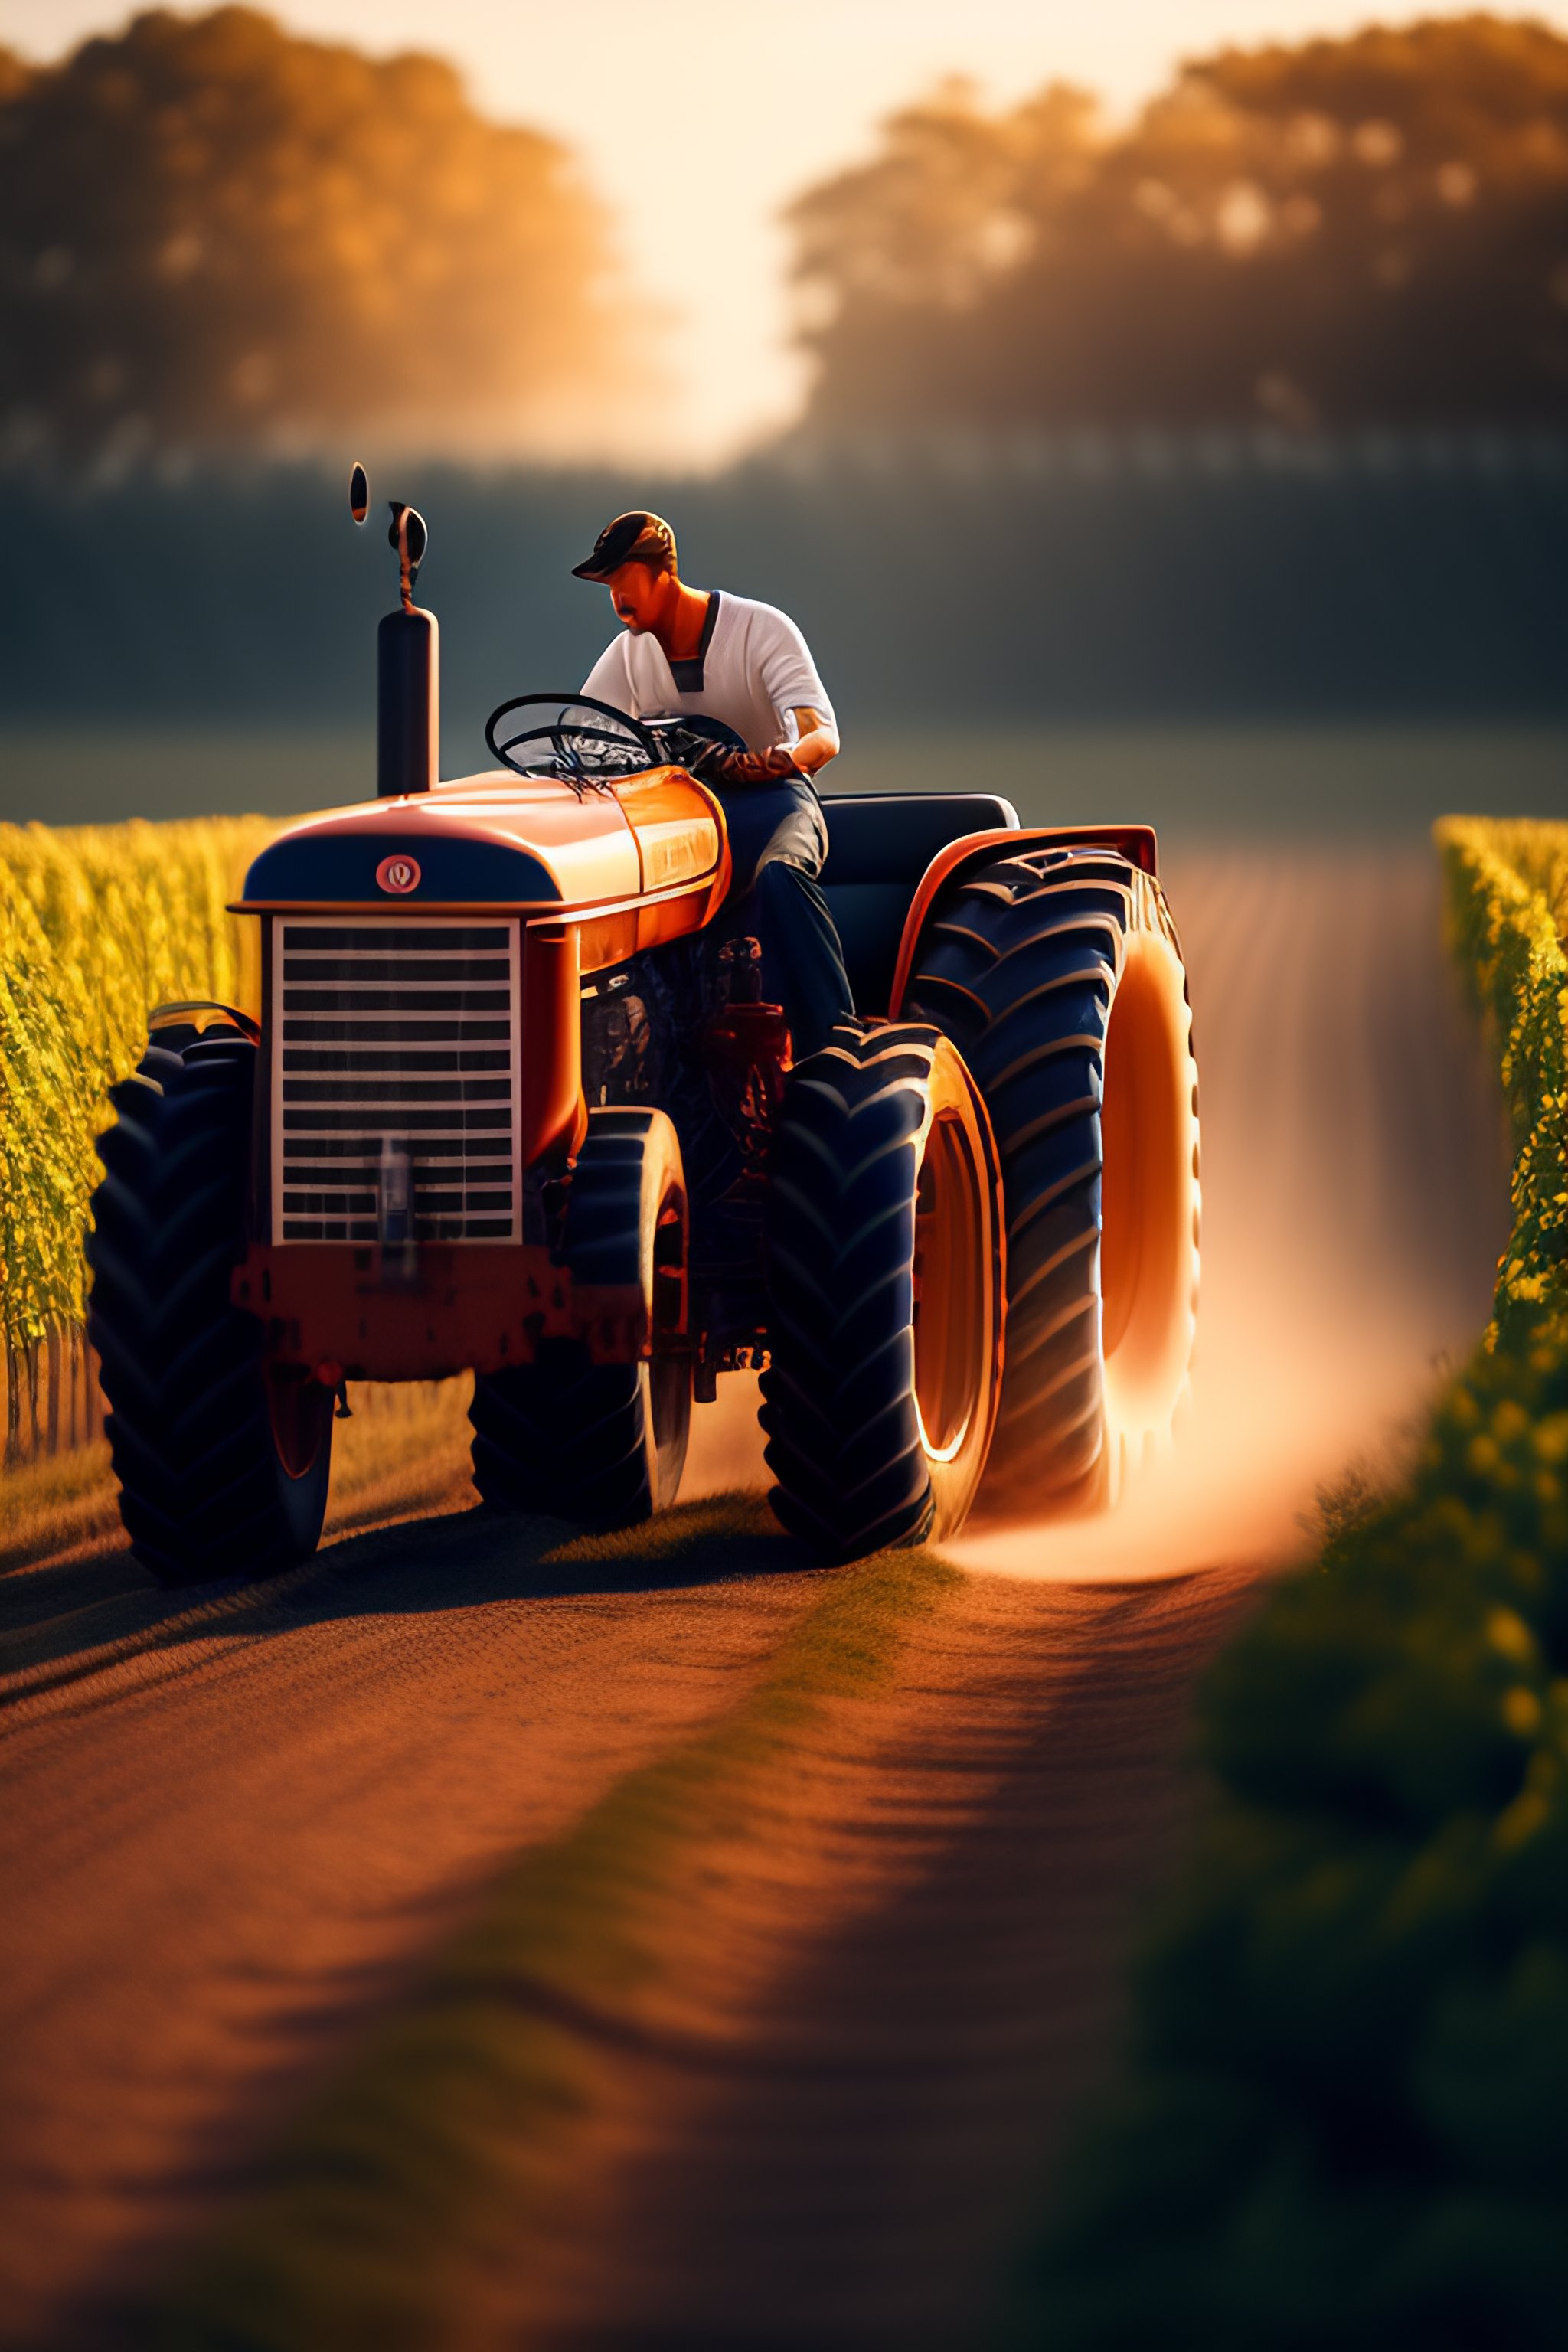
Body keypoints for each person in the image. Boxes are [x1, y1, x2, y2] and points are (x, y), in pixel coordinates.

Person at [572, 510, 854, 1059]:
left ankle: (837, 1041)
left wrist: (774, 762)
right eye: (606, 586)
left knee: (780, 876)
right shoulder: (628, 654)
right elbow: (583, 735)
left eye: (621, 580)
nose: (615, 599)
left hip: (775, 805)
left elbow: (822, 734)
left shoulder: (761, 628)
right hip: (687, 819)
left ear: (662, 572)